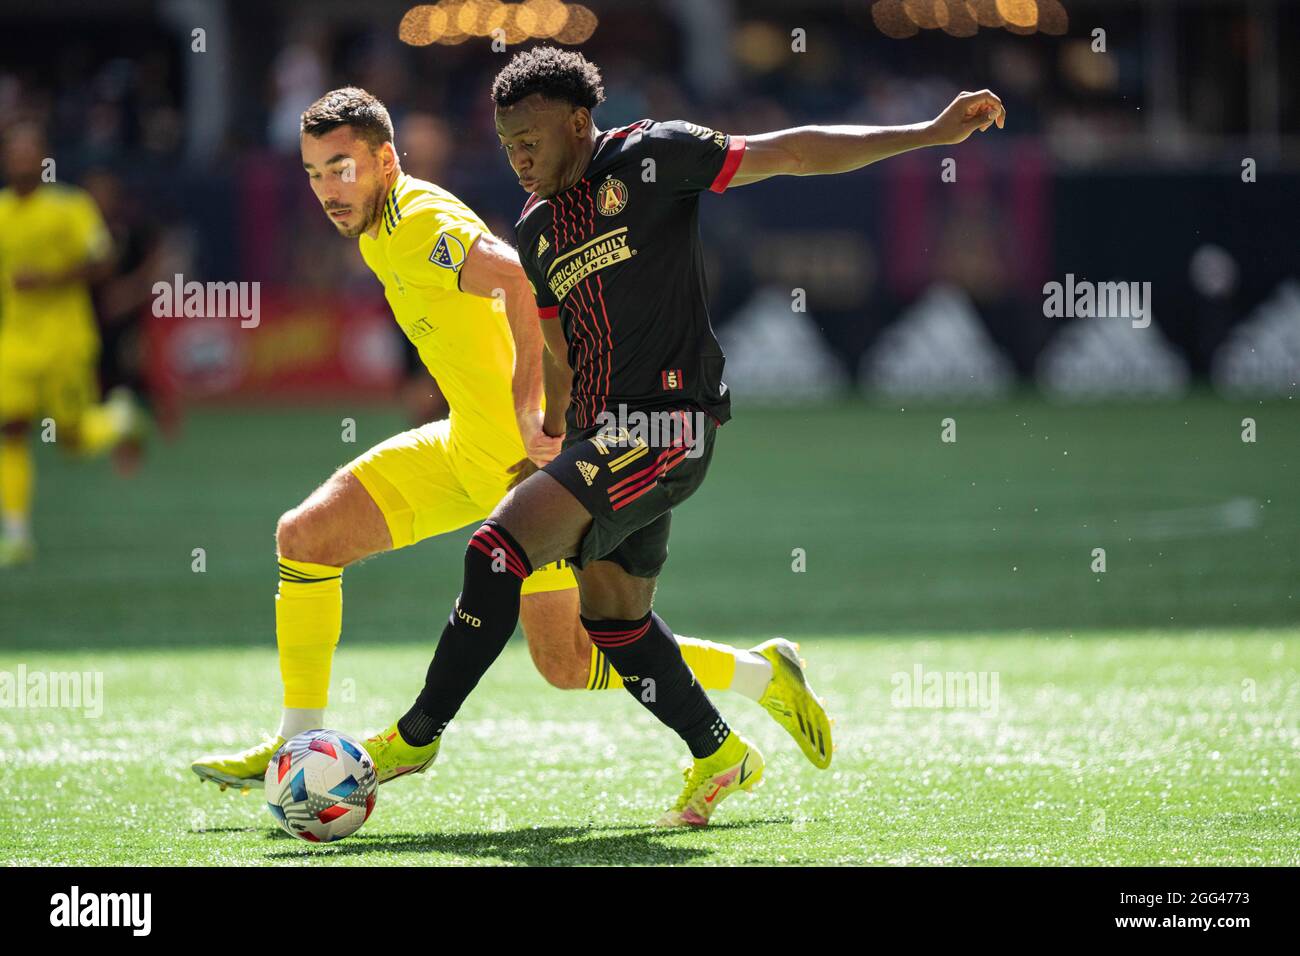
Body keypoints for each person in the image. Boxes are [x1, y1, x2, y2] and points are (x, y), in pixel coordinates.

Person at [362, 47, 1004, 827]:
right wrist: (550, 441)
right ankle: (720, 752)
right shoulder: (534, 231)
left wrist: (929, 131)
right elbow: (562, 352)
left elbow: (794, 151)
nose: (519, 157)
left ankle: (416, 736)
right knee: (612, 620)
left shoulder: (655, 154)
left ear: (577, 120)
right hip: (604, 439)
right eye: (506, 144)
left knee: (495, 552)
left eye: (531, 138)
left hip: (667, 423)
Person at [190, 88, 833, 794]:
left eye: (341, 168)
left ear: (384, 158)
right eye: (314, 174)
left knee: (566, 660)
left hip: (525, 469)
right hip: (464, 447)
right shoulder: (376, 229)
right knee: (306, 537)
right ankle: (295, 745)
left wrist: (535, 413)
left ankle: (760, 674)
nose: (327, 191)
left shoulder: (419, 220)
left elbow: (526, 285)